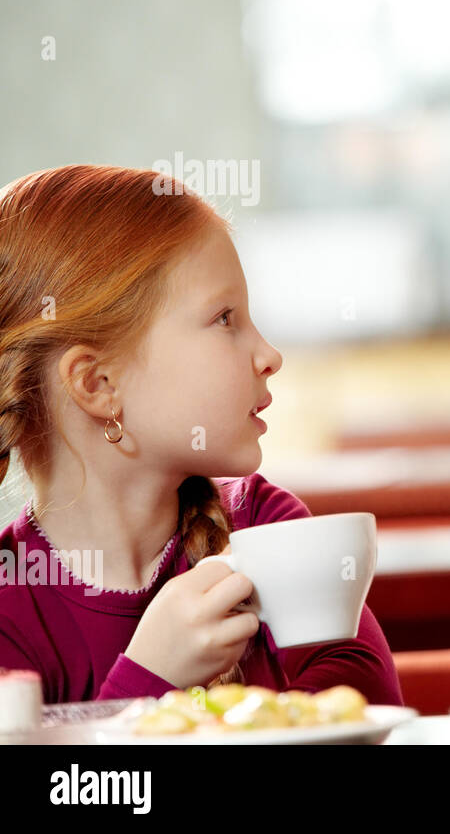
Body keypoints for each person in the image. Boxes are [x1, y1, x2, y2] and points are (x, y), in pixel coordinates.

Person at [0, 165, 403, 704]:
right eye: (225, 319)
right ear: (98, 384)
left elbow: (364, 702)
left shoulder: (267, 524)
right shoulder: (10, 608)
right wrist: (149, 680)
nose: (270, 355)